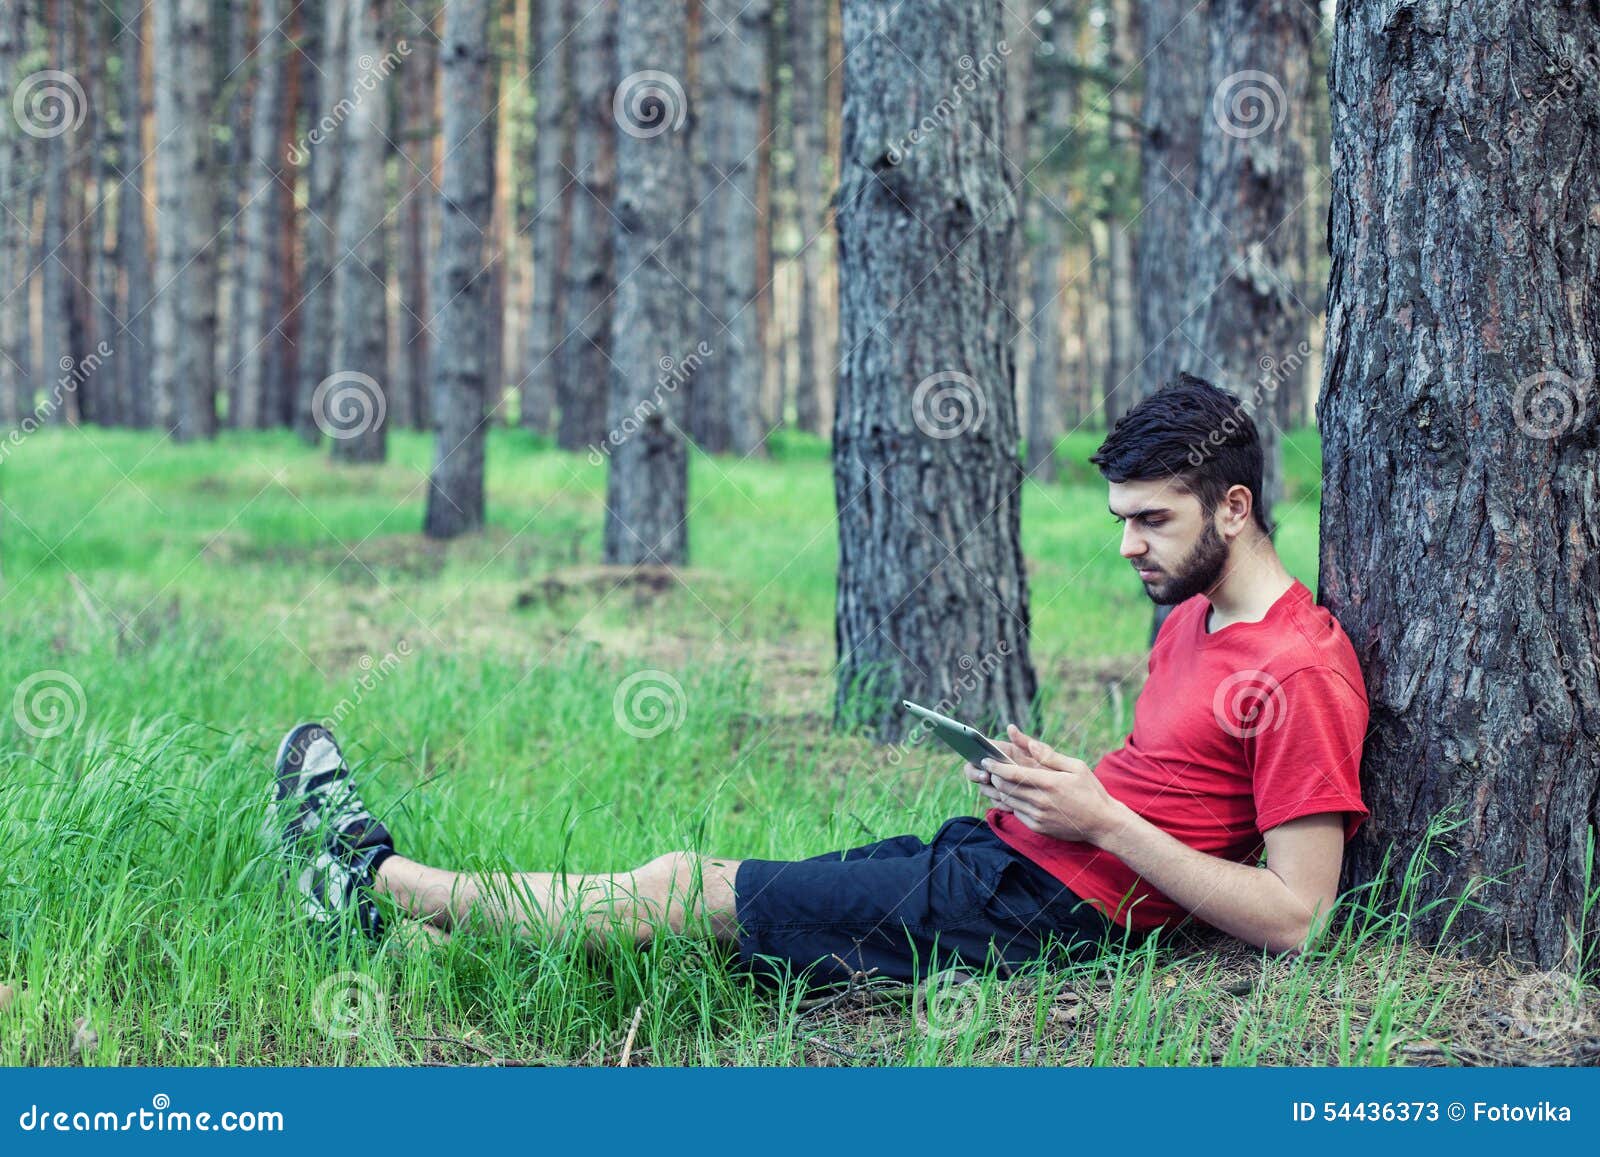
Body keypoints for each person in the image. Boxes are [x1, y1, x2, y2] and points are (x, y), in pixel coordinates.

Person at [265, 374, 1370, 987]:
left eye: (1150, 521)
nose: (1127, 546)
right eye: (1119, 520)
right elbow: (1170, 784)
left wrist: (1099, 818)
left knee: (688, 885)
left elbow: (1293, 916)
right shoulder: (1189, 614)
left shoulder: (1299, 670)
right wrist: (1059, 786)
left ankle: (370, 874)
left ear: (1233, 507)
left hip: (1043, 912)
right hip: (1002, 856)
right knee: (716, 929)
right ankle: (399, 935)